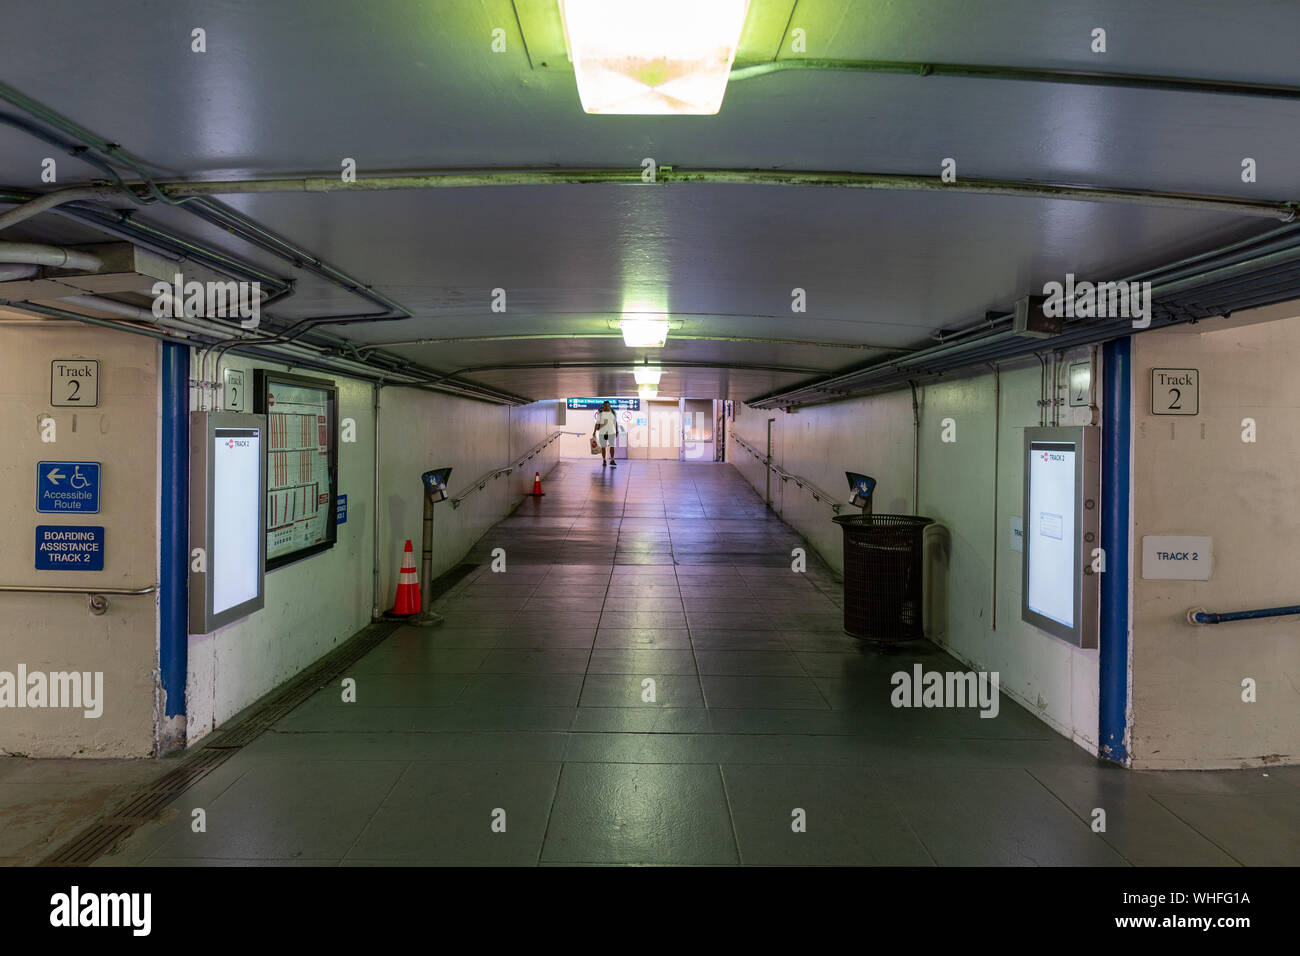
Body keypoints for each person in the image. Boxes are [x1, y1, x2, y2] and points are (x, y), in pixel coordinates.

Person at [593, 400, 620, 467]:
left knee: (612, 446)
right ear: (603, 406)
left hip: (611, 432)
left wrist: (617, 431)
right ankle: (604, 460)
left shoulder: (613, 413)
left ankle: (612, 460)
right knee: (603, 447)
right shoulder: (600, 414)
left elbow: (615, 422)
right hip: (602, 432)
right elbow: (597, 423)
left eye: (608, 406)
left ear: (609, 406)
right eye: (605, 406)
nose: (606, 407)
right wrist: (594, 432)